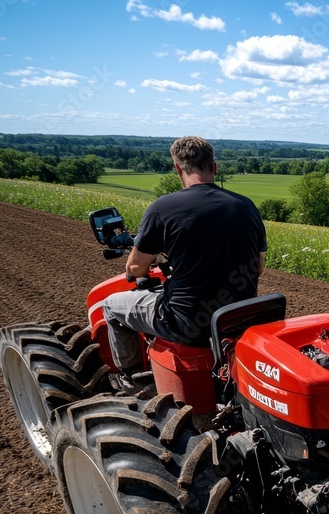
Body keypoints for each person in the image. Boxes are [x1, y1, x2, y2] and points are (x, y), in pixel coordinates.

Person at [102, 136, 267, 389]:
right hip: (239, 318)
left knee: (112, 306)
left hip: (187, 323)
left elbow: (136, 268)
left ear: (177, 168)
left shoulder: (163, 208)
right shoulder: (246, 206)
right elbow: (259, 266)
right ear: (214, 167)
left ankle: (132, 381)